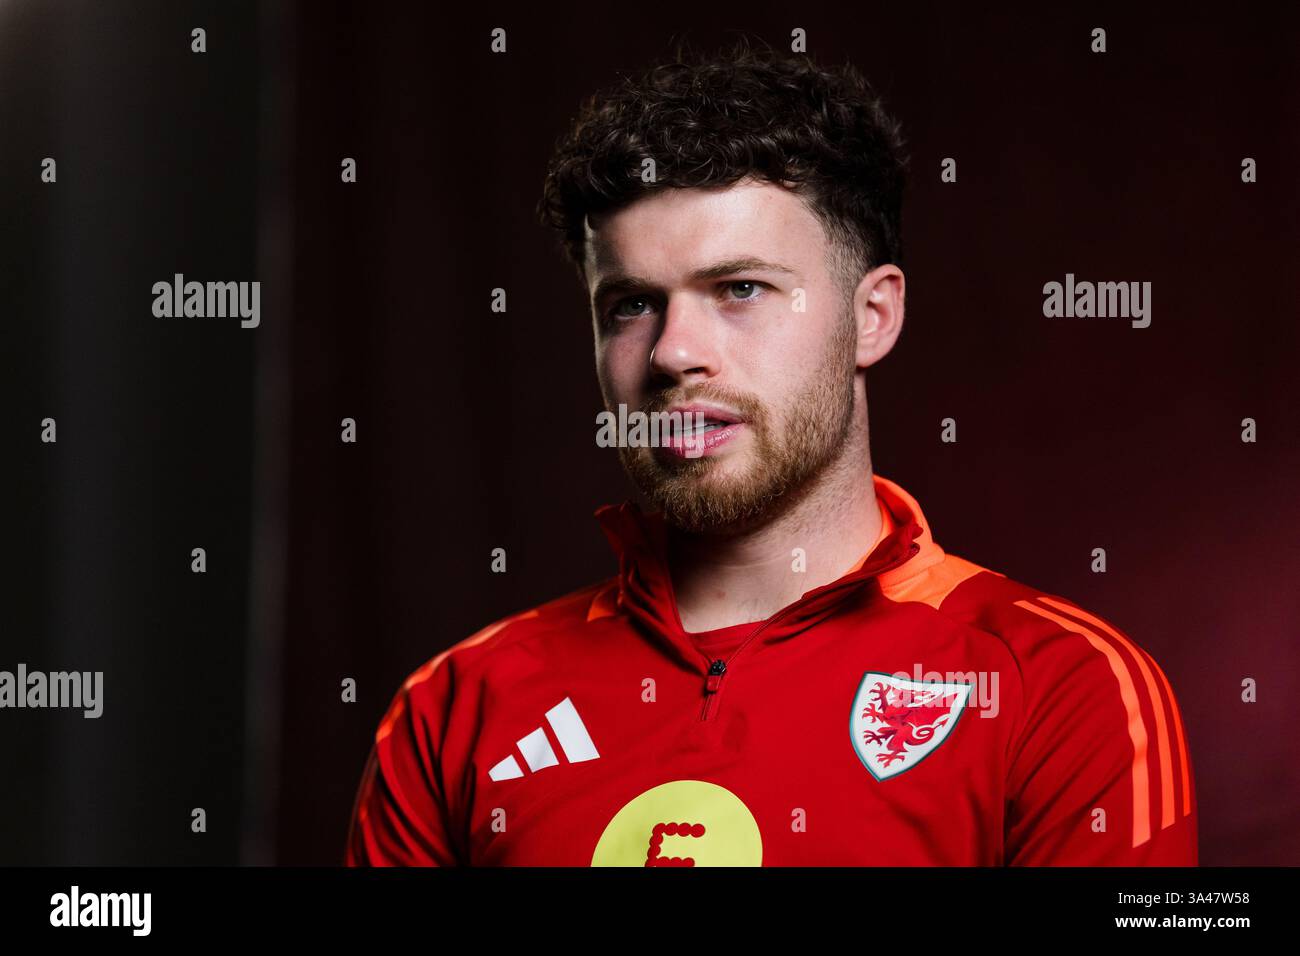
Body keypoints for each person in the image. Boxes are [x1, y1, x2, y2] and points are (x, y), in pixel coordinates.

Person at [345, 39, 1196, 866]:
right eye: (632, 304)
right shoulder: (456, 708)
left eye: (739, 289)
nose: (674, 352)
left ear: (873, 317)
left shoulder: (1062, 689)